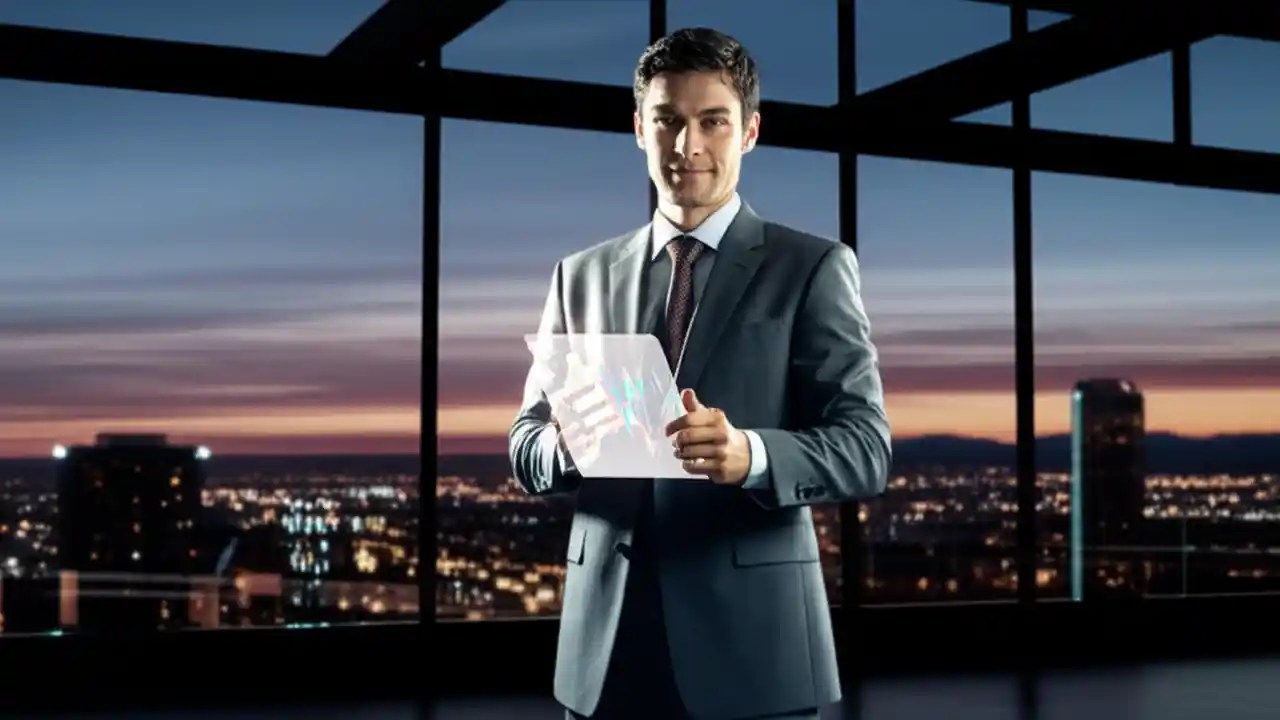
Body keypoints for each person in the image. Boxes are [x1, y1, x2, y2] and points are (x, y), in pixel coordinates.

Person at [509, 26, 892, 720]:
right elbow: (525, 439)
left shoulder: (811, 268)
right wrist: (562, 448)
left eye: (712, 122)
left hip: (755, 647)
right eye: (668, 121)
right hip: (604, 648)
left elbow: (867, 448)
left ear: (748, 131)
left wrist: (752, 454)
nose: (688, 146)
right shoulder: (580, 275)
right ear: (638, 129)